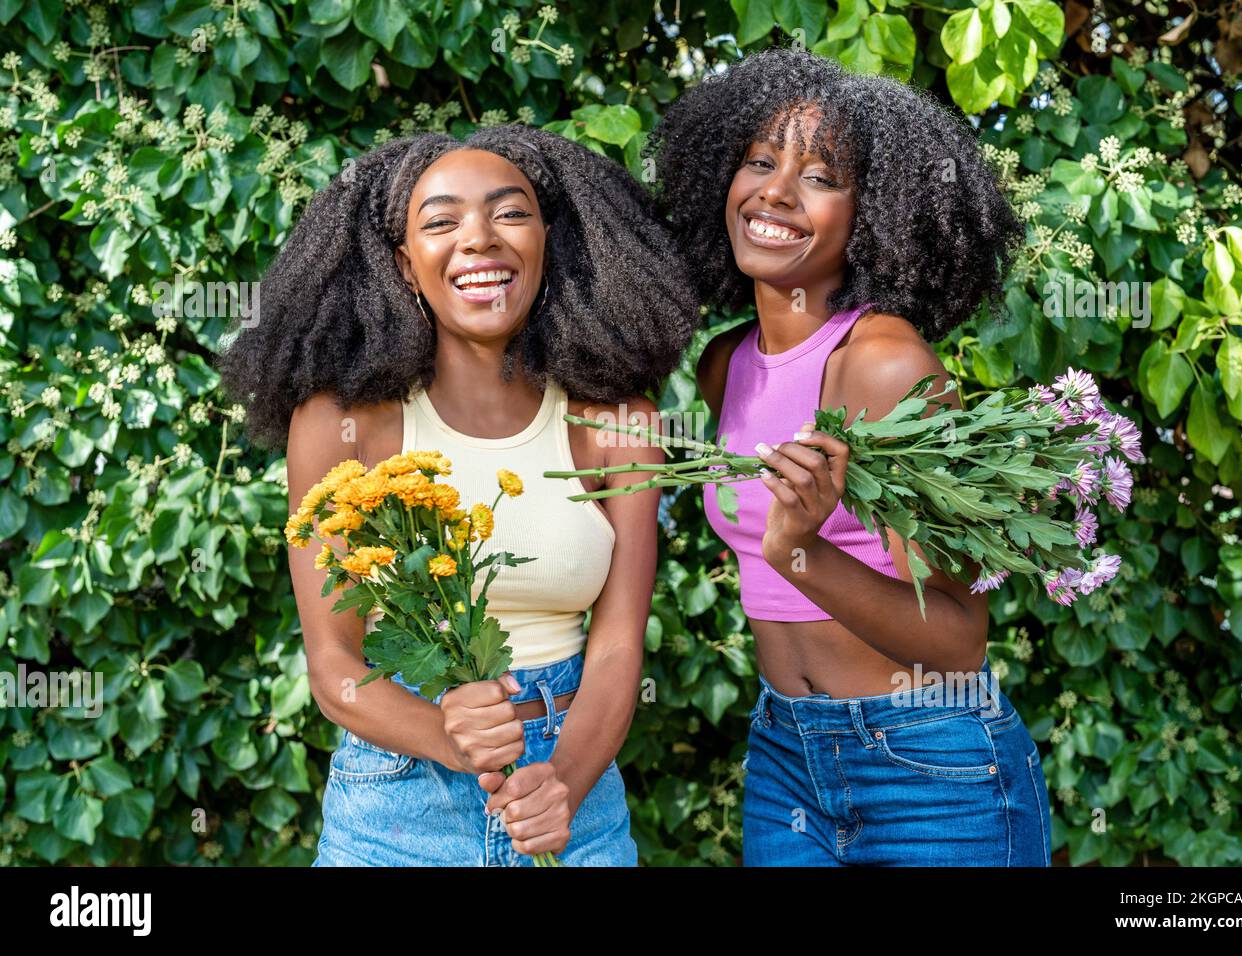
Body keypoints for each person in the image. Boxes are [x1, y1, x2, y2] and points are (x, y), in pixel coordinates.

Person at [219, 125, 698, 865]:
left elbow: (615, 647)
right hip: (396, 812)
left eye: (509, 213)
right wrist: (446, 732)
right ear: (406, 266)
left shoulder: (618, 423)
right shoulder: (345, 426)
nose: (478, 238)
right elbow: (334, 665)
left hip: (574, 796)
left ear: (548, 241)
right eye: (441, 221)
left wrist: (561, 788)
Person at [648, 47, 1052, 866]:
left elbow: (960, 637)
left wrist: (801, 553)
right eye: (760, 161)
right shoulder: (724, 362)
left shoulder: (886, 365)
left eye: (821, 177)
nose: (775, 192)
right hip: (786, 758)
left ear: (874, 214)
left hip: (929, 763)